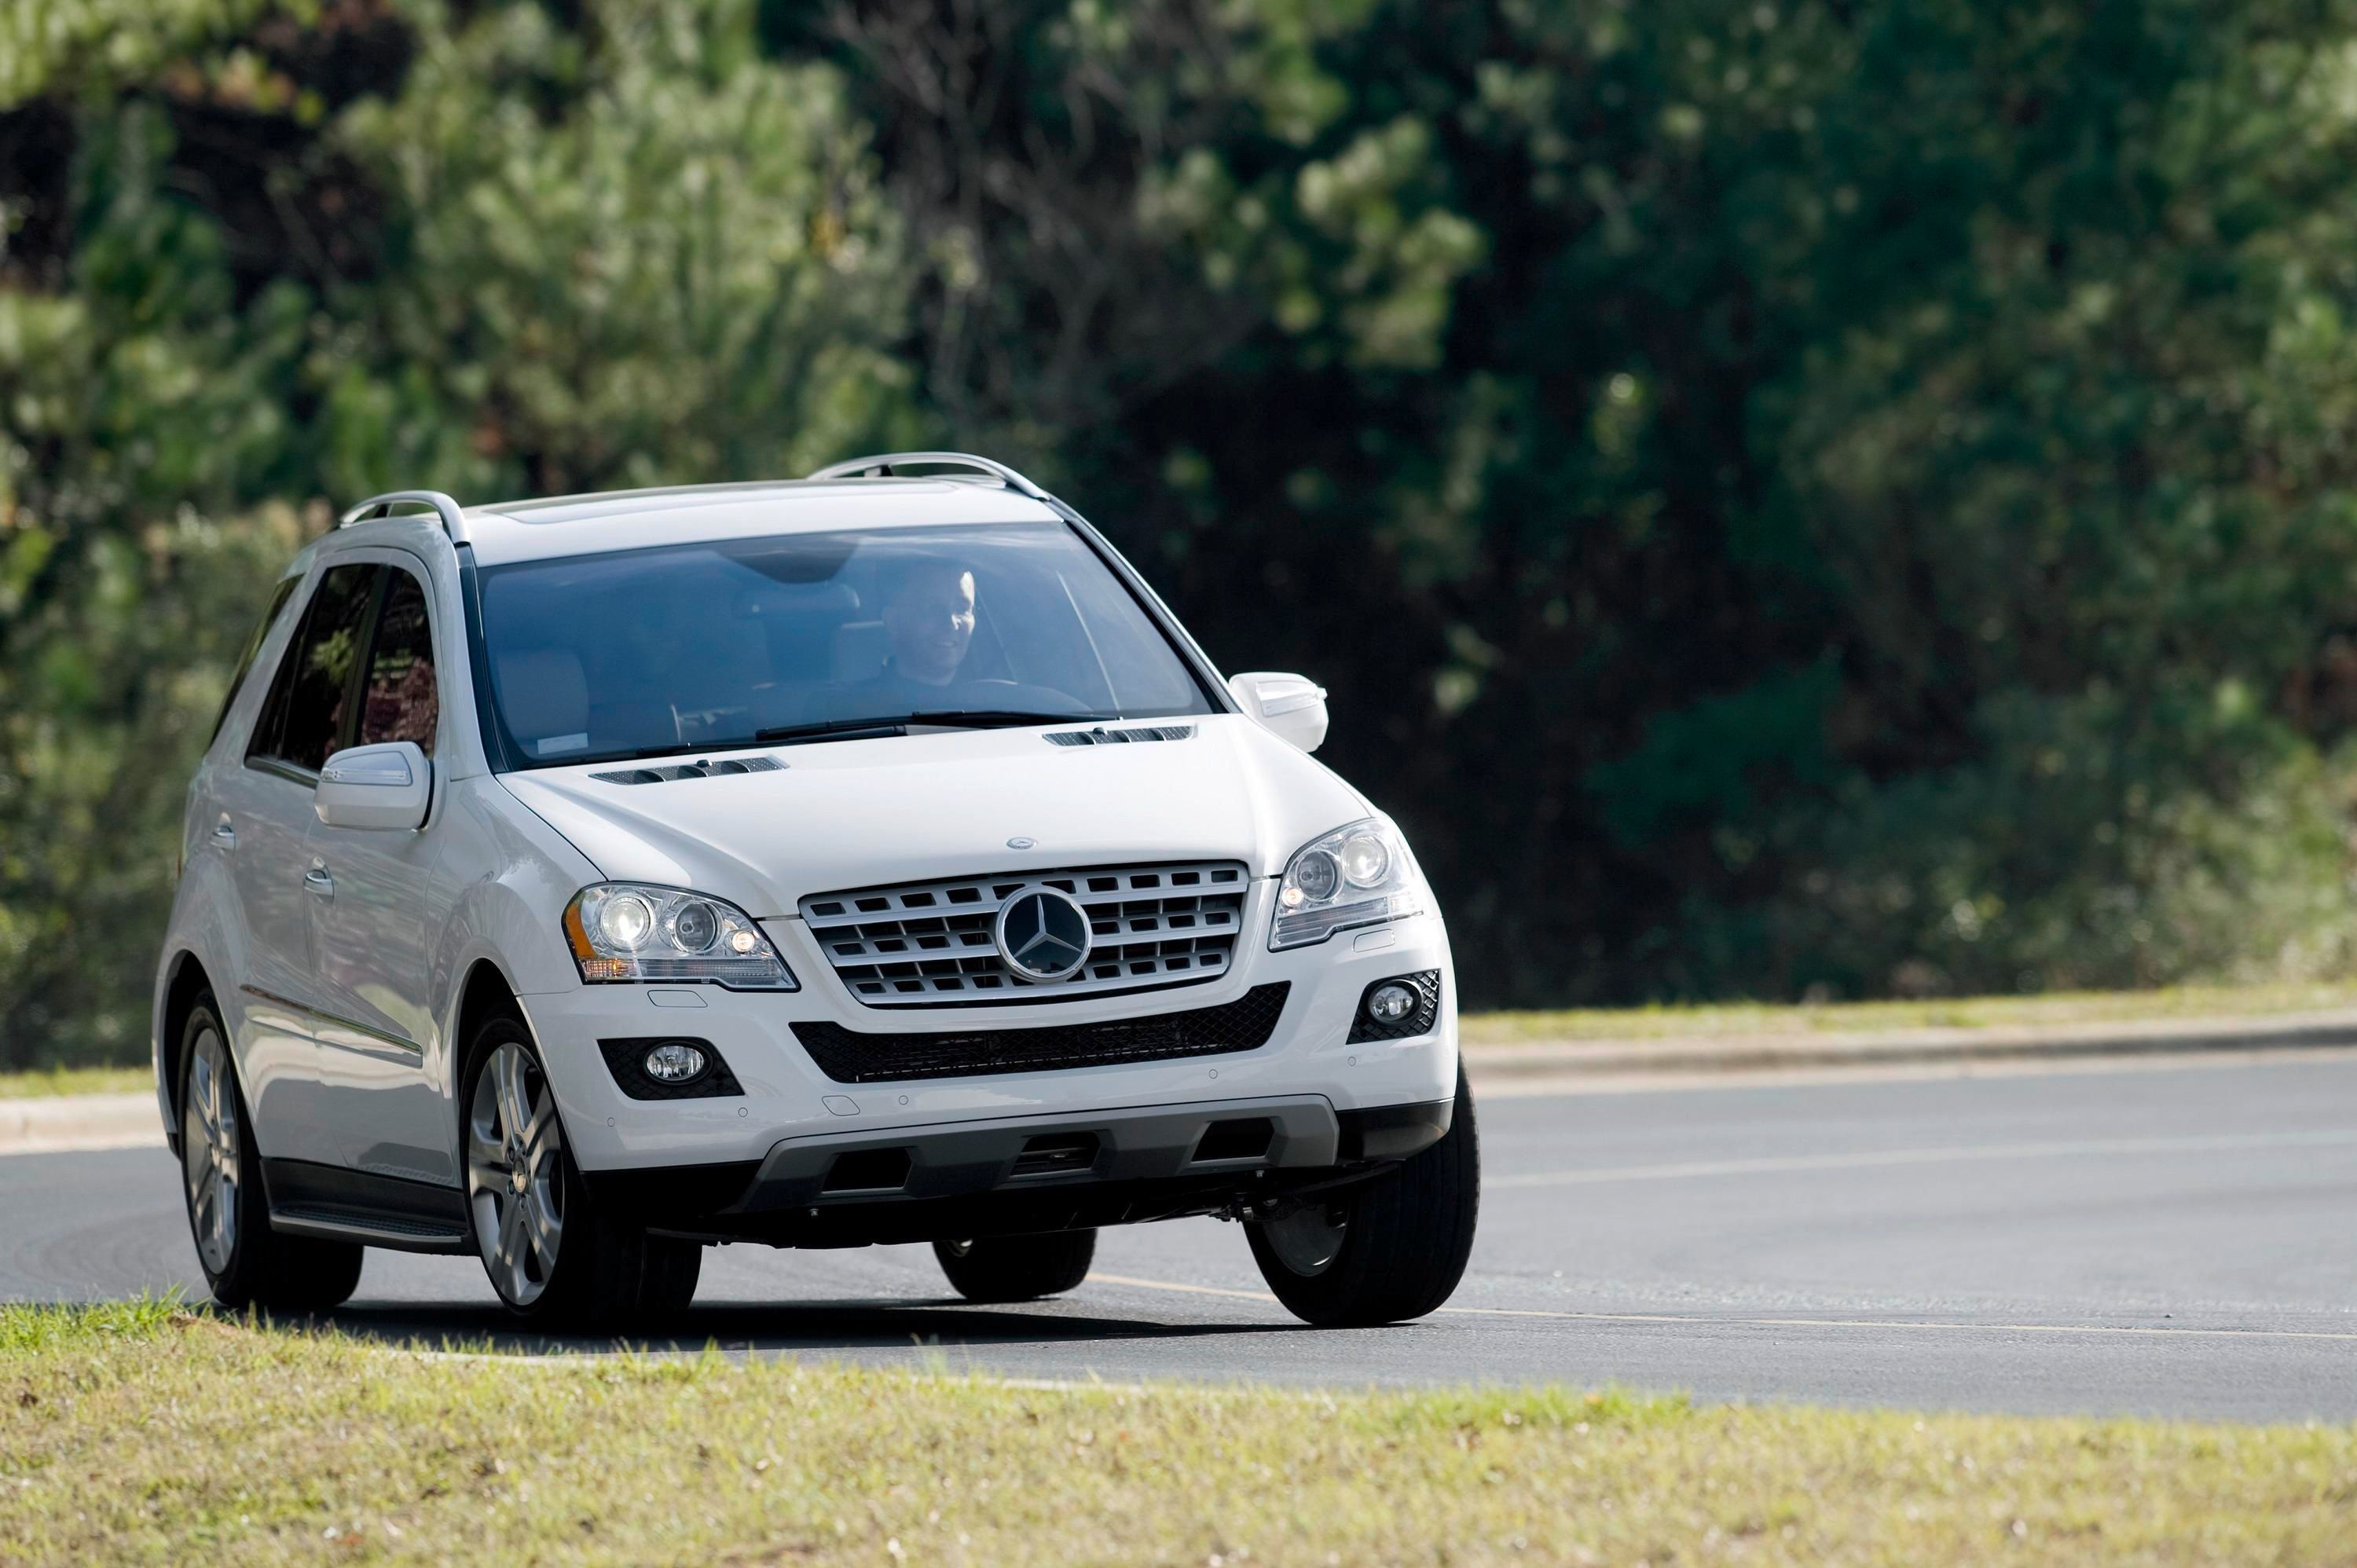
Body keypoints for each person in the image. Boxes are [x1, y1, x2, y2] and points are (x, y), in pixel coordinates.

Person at [875, 556, 977, 687]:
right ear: (893, 621)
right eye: (933, 608)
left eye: (962, 609)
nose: (950, 623)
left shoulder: (1000, 699)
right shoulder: (857, 704)